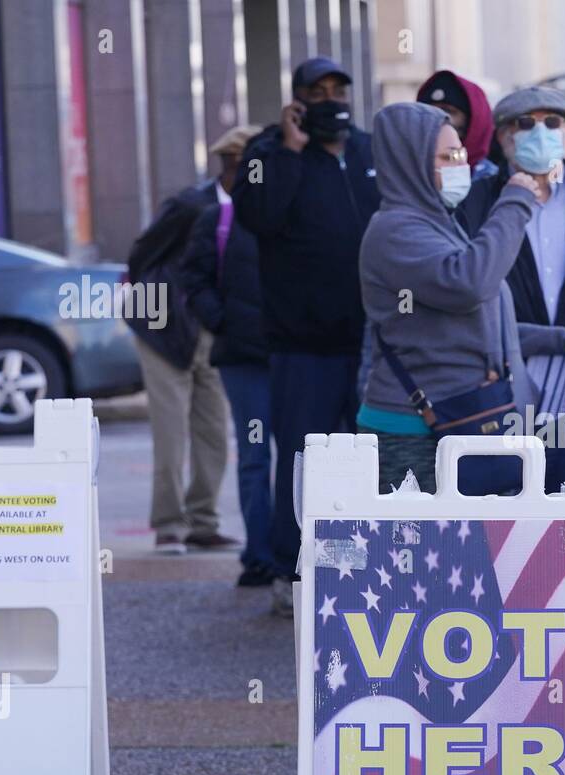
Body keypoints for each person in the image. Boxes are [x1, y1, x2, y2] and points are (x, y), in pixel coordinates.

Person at [233, 56, 380, 616]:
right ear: (297, 99)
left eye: (337, 89)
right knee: (303, 462)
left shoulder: (368, 150)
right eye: (316, 91)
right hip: (302, 345)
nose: (329, 99)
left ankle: (362, 569)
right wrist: (290, 150)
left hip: (370, 344)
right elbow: (259, 216)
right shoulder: (267, 153)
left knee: (369, 459)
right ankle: (292, 572)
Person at [357, 101, 552, 494]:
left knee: (469, 551)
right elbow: (470, 283)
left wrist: (563, 340)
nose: (460, 164)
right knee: (420, 551)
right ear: (411, 162)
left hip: (458, 419)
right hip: (416, 430)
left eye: (461, 154)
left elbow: (473, 322)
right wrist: (514, 203)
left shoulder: (436, 223)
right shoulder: (395, 230)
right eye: (448, 156)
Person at [457, 86, 565, 492]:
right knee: (501, 521)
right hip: (501, 395)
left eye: (552, 123)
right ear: (503, 137)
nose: (541, 133)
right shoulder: (476, 205)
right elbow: (463, 289)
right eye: (525, 124)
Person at [126, 151, 237, 556]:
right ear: (233, 164)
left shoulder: (254, 209)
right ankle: (170, 526)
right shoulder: (191, 205)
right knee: (170, 433)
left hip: (212, 332)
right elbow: (141, 254)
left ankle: (203, 522)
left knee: (214, 430)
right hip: (166, 331)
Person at [180, 125, 275, 587]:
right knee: (255, 456)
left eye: (241, 164)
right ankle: (258, 556)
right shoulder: (215, 220)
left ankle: (298, 556)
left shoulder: (287, 210)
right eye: (229, 165)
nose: (234, 173)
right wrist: (221, 320)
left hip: (295, 356)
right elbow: (192, 278)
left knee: (304, 455)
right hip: (242, 359)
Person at [416, 70, 498, 181]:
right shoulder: (411, 174)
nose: (437, 118)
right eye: (431, 111)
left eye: (448, 111)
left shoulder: (491, 182)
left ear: (473, 121)